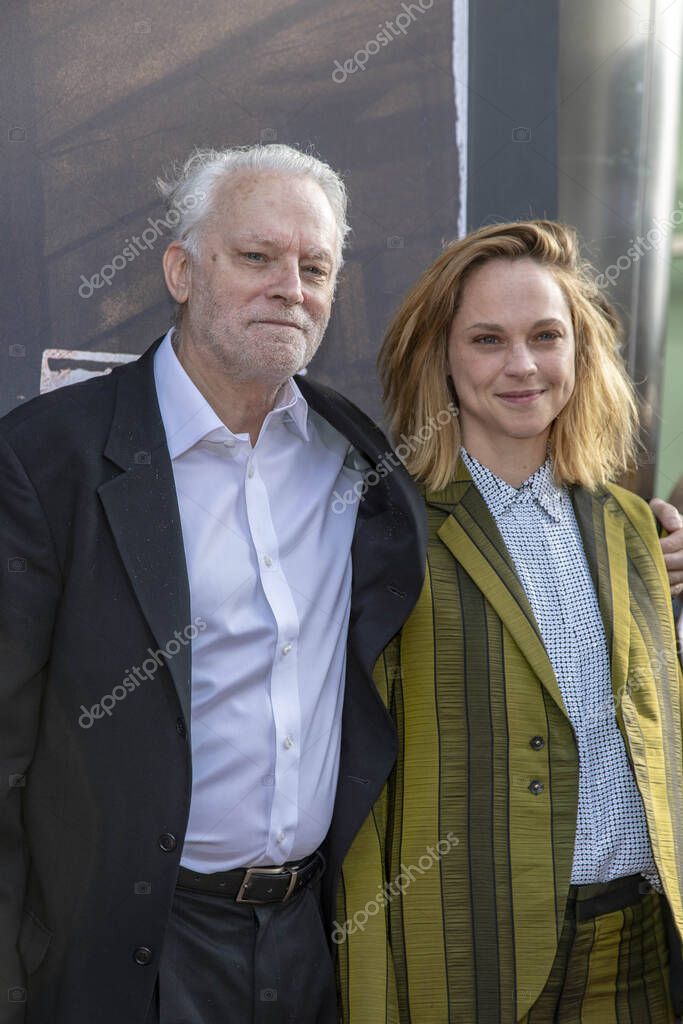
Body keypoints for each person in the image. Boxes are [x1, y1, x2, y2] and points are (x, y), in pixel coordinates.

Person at [0, 144, 427, 1024]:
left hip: (311, 942)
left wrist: (630, 543)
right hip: (125, 951)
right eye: (257, 257)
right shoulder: (49, 459)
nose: (290, 286)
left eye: (315, 266)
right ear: (181, 270)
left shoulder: (358, 463)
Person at [337, 220, 683, 1023]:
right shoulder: (386, 532)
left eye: (545, 336)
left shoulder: (632, 525)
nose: (521, 365)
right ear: (442, 359)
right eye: (487, 339)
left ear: (579, 353)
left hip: (637, 955)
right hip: (465, 960)